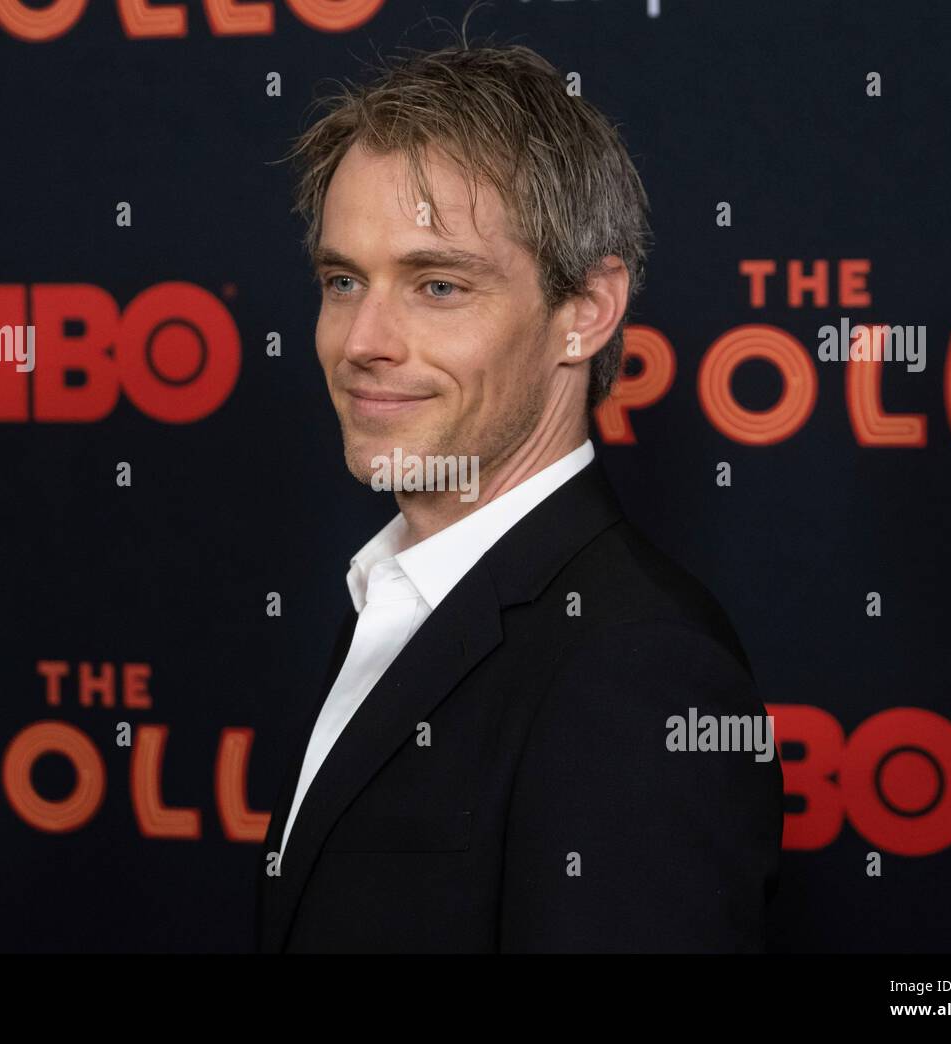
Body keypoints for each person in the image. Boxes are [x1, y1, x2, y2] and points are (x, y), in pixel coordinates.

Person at [255, 41, 782, 953]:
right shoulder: (404, 596)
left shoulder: (636, 672)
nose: (363, 340)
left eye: (439, 285)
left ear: (585, 311)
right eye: (343, 281)